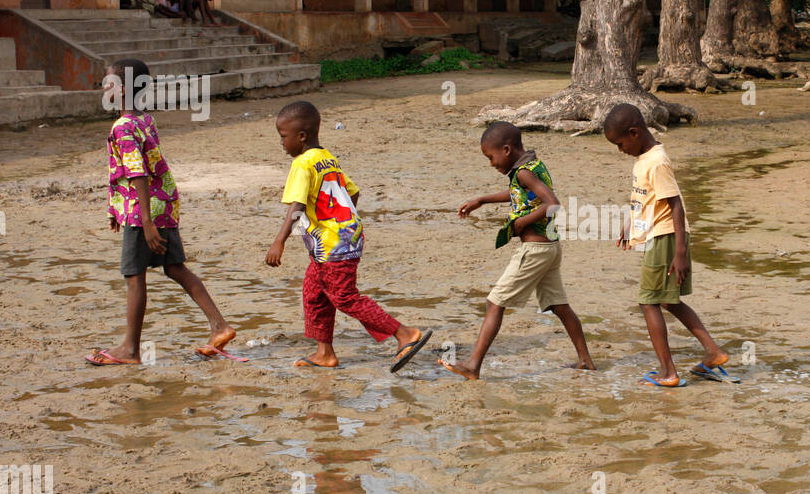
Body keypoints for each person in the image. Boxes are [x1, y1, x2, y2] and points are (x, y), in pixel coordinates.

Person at [87, 57, 238, 365]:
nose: (105, 87)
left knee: (134, 276)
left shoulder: (123, 127)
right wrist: (115, 210)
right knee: (175, 268)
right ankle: (220, 326)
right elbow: (140, 169)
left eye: (110, 83)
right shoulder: (145, 119)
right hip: (164, 203)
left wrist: (144, 223)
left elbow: (137, 172)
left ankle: (130, 350)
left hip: (144, 212)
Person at [265, 100, 431, 371]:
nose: (281, 143)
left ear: (301, 136)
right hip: (342, 240)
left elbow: (295, 206)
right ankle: (324, 353)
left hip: (333, 246)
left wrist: (279, 241)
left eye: (283, 137)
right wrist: (341, 222)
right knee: (313, 293)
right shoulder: (327, 158)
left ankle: (404, 333)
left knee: (344, 297)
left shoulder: (302, 163)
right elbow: (353, 192)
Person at [441, 122, 594, 380]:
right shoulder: (530, 167)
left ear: (507, 149)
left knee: (494, 302)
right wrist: (482, 199)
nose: (491, 163)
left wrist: (522, 222)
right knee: (560, 306)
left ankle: (473, 365)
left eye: (491, 157)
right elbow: (517, 193)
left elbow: (553, 204)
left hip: (535, 250)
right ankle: (585, 360)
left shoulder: (523, 172)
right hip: (550, 248)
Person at [603, 103, 734, 387]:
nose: (620, 149)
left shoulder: (657, 161)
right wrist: (630, 225)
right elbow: (647, 199)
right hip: (660, 237)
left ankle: (667, 372)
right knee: (667, 299)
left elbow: (676, 206)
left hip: (667, 239)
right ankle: (713, 352)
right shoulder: (644, 157)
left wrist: (680, 253)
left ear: (634, 133)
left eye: (620, 143)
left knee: (648, 302)